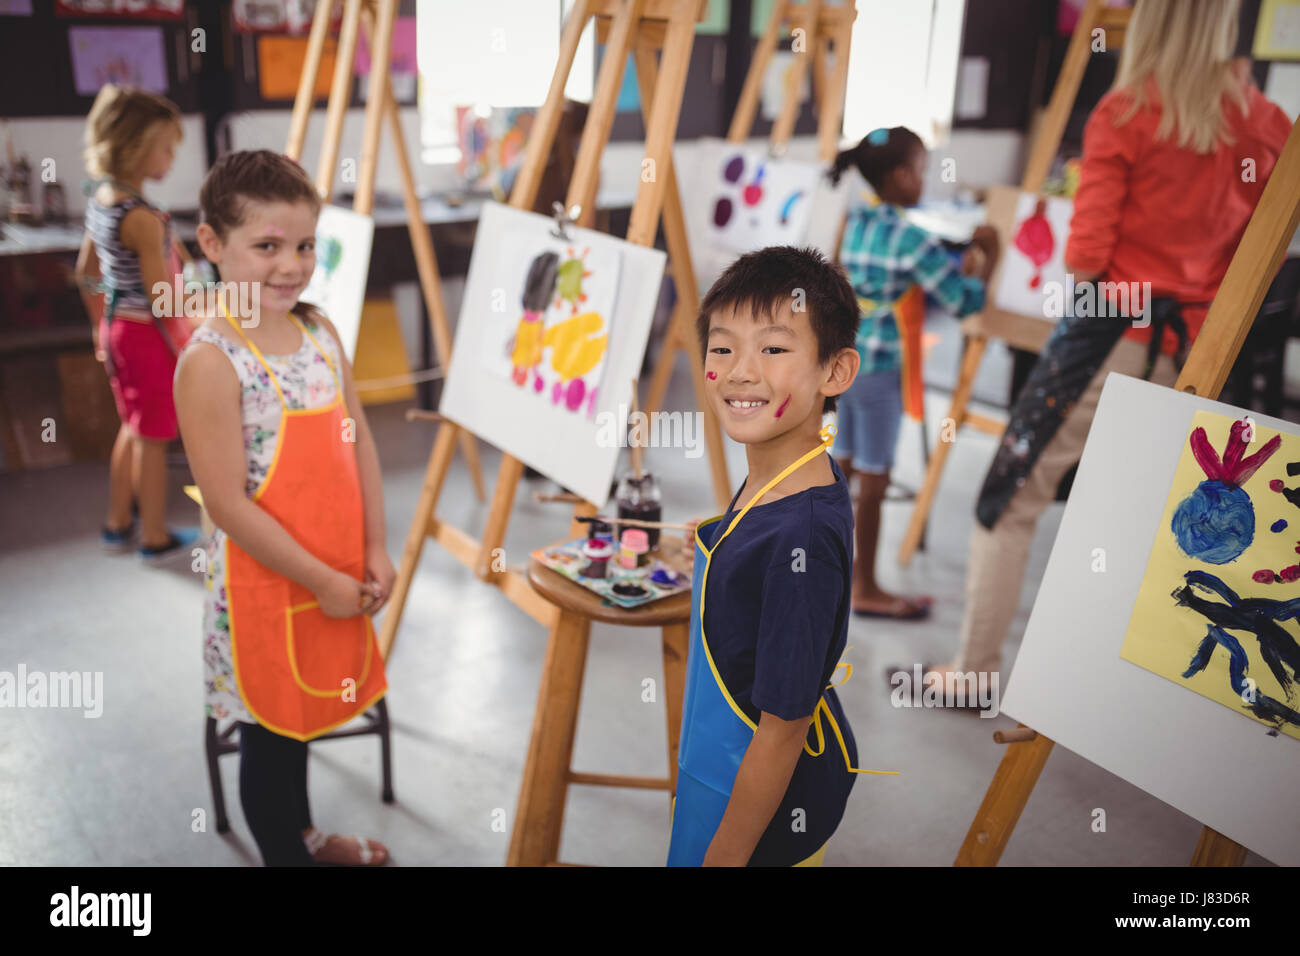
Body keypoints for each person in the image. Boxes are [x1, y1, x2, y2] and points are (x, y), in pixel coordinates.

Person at [911, 0, 1293, 698]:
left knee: (1010, 499)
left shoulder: (1127, 112)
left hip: (1113, 335)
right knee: (1154, 522)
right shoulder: (1269, 127)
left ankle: (974, 673)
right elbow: (1257, 266)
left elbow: (1085, 259)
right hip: (1198, 354)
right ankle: (1116, 697)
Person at [174, 150, 396, 866]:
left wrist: (375, 548)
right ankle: (286, 852)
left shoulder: (322, 332)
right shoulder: (210, 360)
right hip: (264, 588)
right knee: (269, 733)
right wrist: (322, 580)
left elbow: (357, 438)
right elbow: (230, 506)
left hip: (334, 568)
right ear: (212, 244)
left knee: (300, 714)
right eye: (266, 246)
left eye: (304, 245)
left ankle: (306, 837)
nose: (291, 265)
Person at [668, 246, 897, 867]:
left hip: (759, 822)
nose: (742, 371)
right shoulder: (786, 474)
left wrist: (727, 857)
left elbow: (785, 728)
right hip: (722, 774)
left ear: (836, 371)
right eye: (722, 349)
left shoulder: (803, 535)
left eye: (772, 349)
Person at [831, 126, 999, 619]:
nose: (925, 179)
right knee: (877, 480)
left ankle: (825, 569)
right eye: (923, 169)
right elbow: (963, 300)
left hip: (845, 362)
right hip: (881, 369)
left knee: (842, 466)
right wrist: (988, 260)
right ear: (902, 175)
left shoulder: (857, 221)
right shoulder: (912, 238)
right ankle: (865, 587)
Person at [75, 85, 197, 558]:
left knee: (132, 425)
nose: (171, 157)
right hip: (147, 337)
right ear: (135, 148)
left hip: (117, 329)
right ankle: (154, 537)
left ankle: (117, 521)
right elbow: (162, 300)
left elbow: (87, 273)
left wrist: (98, 329)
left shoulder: (103, 200)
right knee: (154, 436)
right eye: (166, 147)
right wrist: (193, 335)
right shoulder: (143, 218)